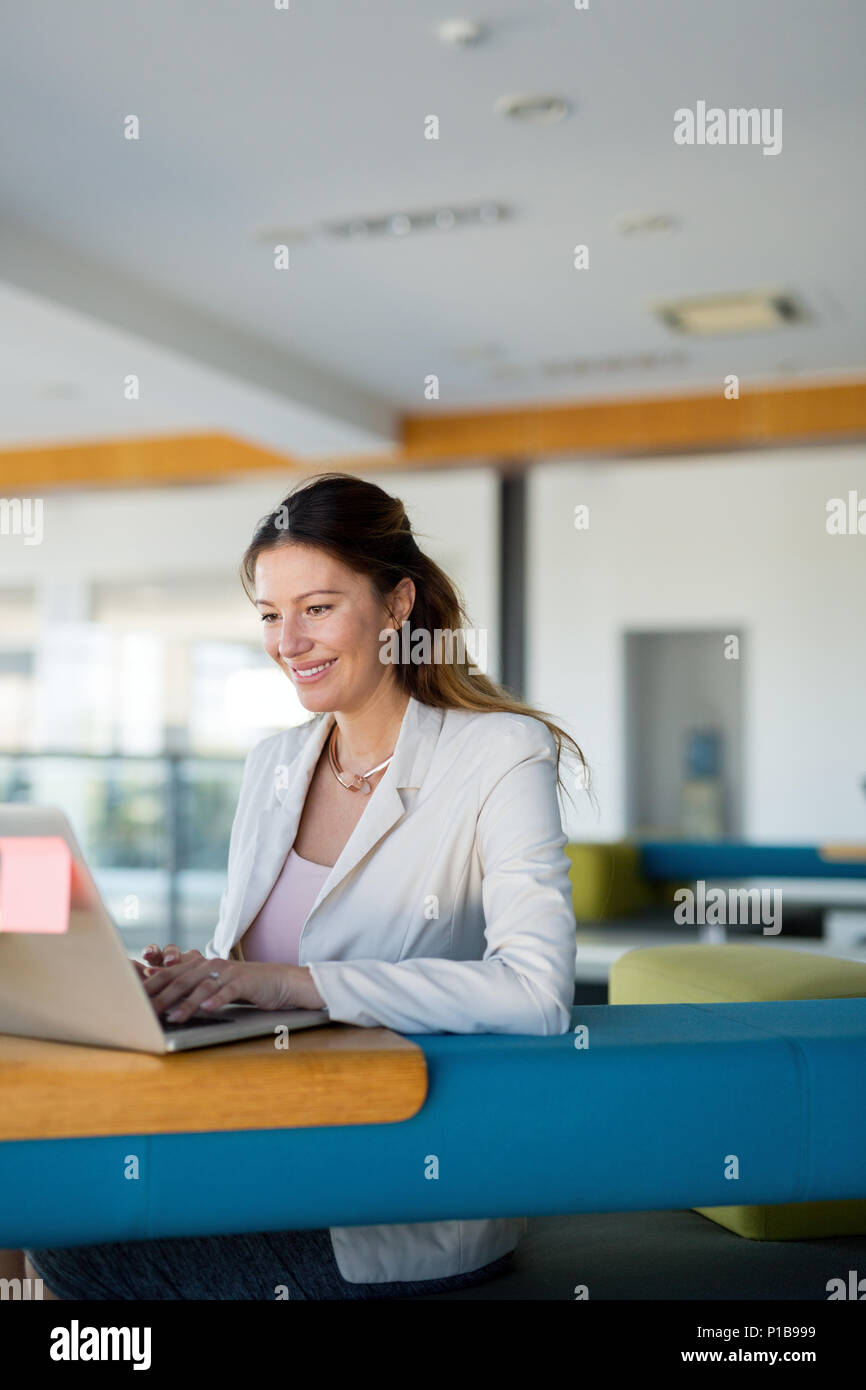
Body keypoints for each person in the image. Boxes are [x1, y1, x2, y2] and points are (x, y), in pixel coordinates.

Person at [23, 471, 589, 1300]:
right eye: (269, 614)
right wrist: (198, 979)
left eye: (317, 607)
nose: (288, 640)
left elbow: (538, 993)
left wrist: (287, 981)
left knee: (76, 1249)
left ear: (398, 605)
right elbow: (244, 959)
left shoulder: (500, 754)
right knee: (49, 1194)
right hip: (264, 1140)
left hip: (398, 1191)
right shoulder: (275, 763)